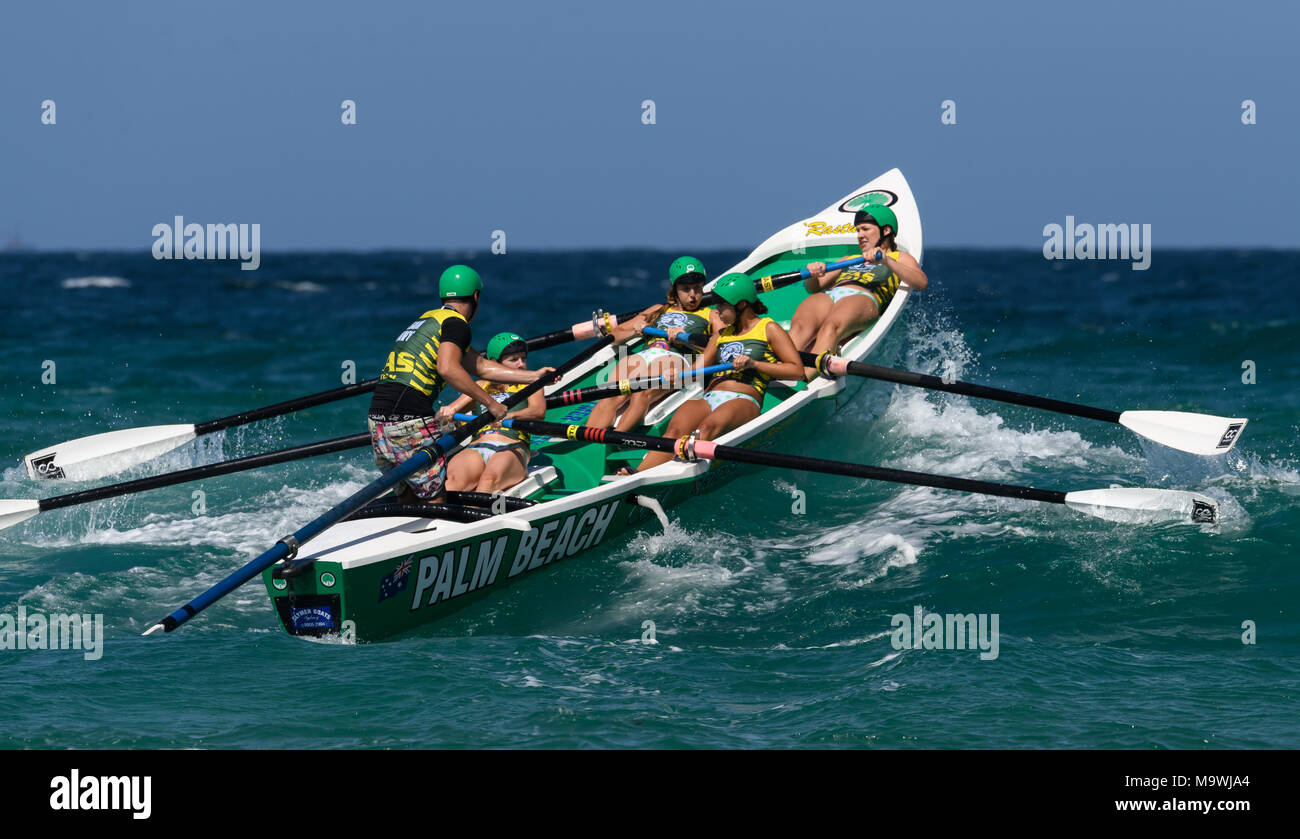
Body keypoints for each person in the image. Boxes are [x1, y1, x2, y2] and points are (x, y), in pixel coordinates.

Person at [367, 265, 552, 504]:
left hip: (377, 421)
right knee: (436, 502)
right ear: (475, 296)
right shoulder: (457, 324)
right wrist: (490, 403)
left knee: (410, 500)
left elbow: (482, 367)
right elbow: (448, 368)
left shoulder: (429, 320)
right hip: (408, 421)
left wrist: (536, 376)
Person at [626, 273, 803, 473]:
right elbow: (697, 370)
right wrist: (677, 375)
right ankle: (638, 476)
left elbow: (796, 370)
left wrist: (754, 364)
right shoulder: (720, 335)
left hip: (744, 398)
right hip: (709, 397)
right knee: (674, 432)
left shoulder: (768, 328)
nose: (717, 311)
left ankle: (673, 477)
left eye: (721, 305)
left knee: (706, 429)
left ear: (742, 304)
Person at [787, 203, 927, 380]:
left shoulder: (899, 257)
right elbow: (814, 287)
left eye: (865, 229)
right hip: (832, 294)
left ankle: (805, 377)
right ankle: (780, 368)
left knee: (831, 326)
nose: (860, 235)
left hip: (865, 298)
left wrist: (886, 261)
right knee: (800, 328)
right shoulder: (850, 258)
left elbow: (921, 282)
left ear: (886, 231)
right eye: (858, 230)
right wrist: (812, 275)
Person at [586, 256, 724, 432]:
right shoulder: (658, 310)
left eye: (697, 289)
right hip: (646, 354)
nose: (693, 295)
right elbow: (616, 335)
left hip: (677, 358)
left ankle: (615, 440)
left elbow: (721, 346)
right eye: (686, 289)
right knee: (611, 394)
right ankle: (587, 440)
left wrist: (687, 338)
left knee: (640, 392)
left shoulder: (711, 315)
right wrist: (636, 328)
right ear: (675, 289)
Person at [436, 332, 547, 495]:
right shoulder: (480, 386)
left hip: (513, 446)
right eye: (513, 360)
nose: (521, 364)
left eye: (523, 358)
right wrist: (446, 415)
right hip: (476, 447)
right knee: (451, 483)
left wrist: (509, 416)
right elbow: (449, 413)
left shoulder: (531, 383)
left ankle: (473, 518)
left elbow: (538, 412)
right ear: (494, 363)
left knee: (488, 481)